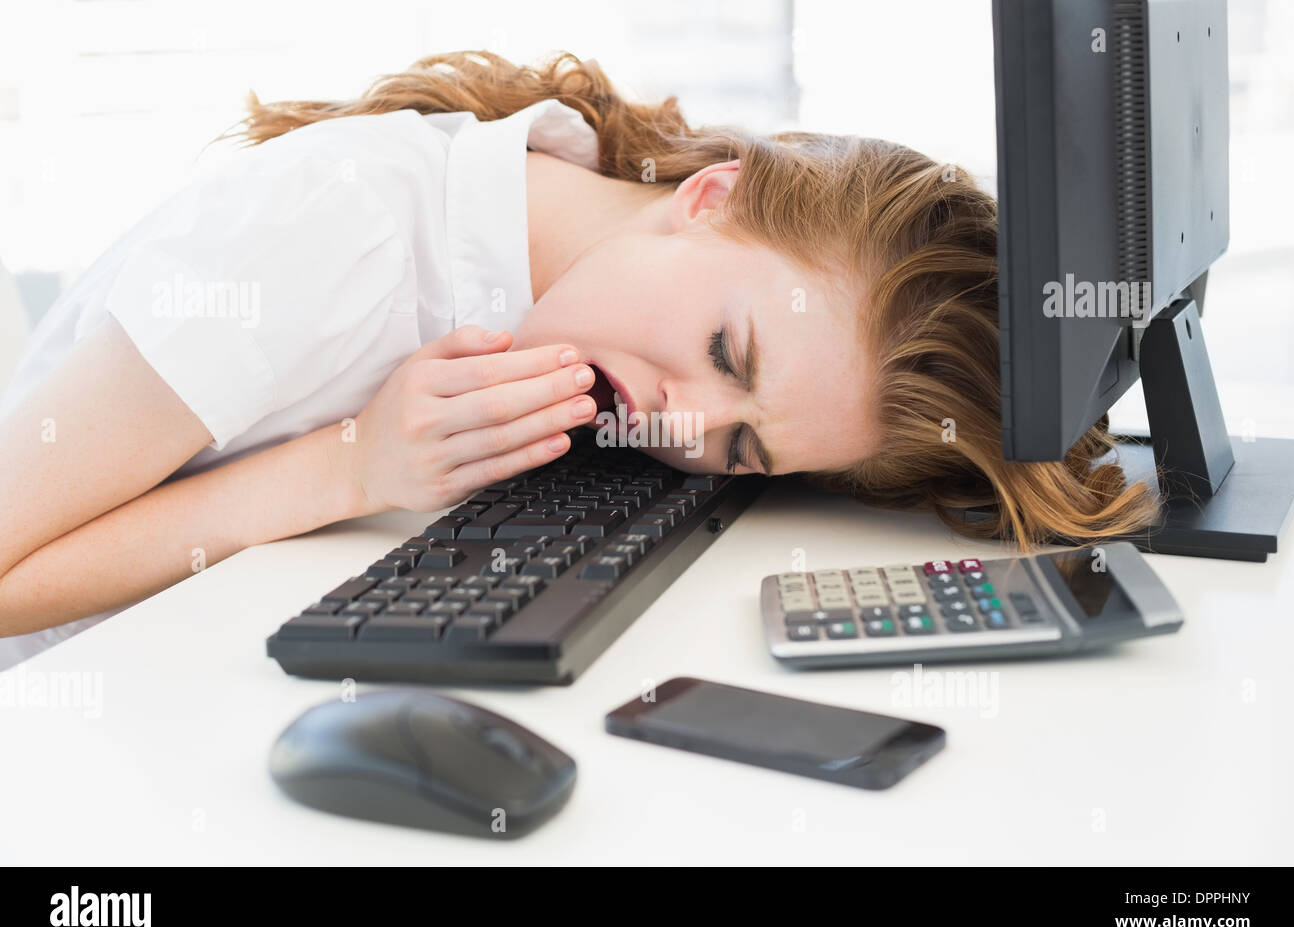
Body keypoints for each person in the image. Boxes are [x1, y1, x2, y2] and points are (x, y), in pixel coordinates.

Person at [0, 51, 1155, 661]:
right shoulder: (333, 231)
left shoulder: (567, 244)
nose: (677, 424)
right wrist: (349, 468)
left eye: (741, 445)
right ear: (708, 195)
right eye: (724, 350)